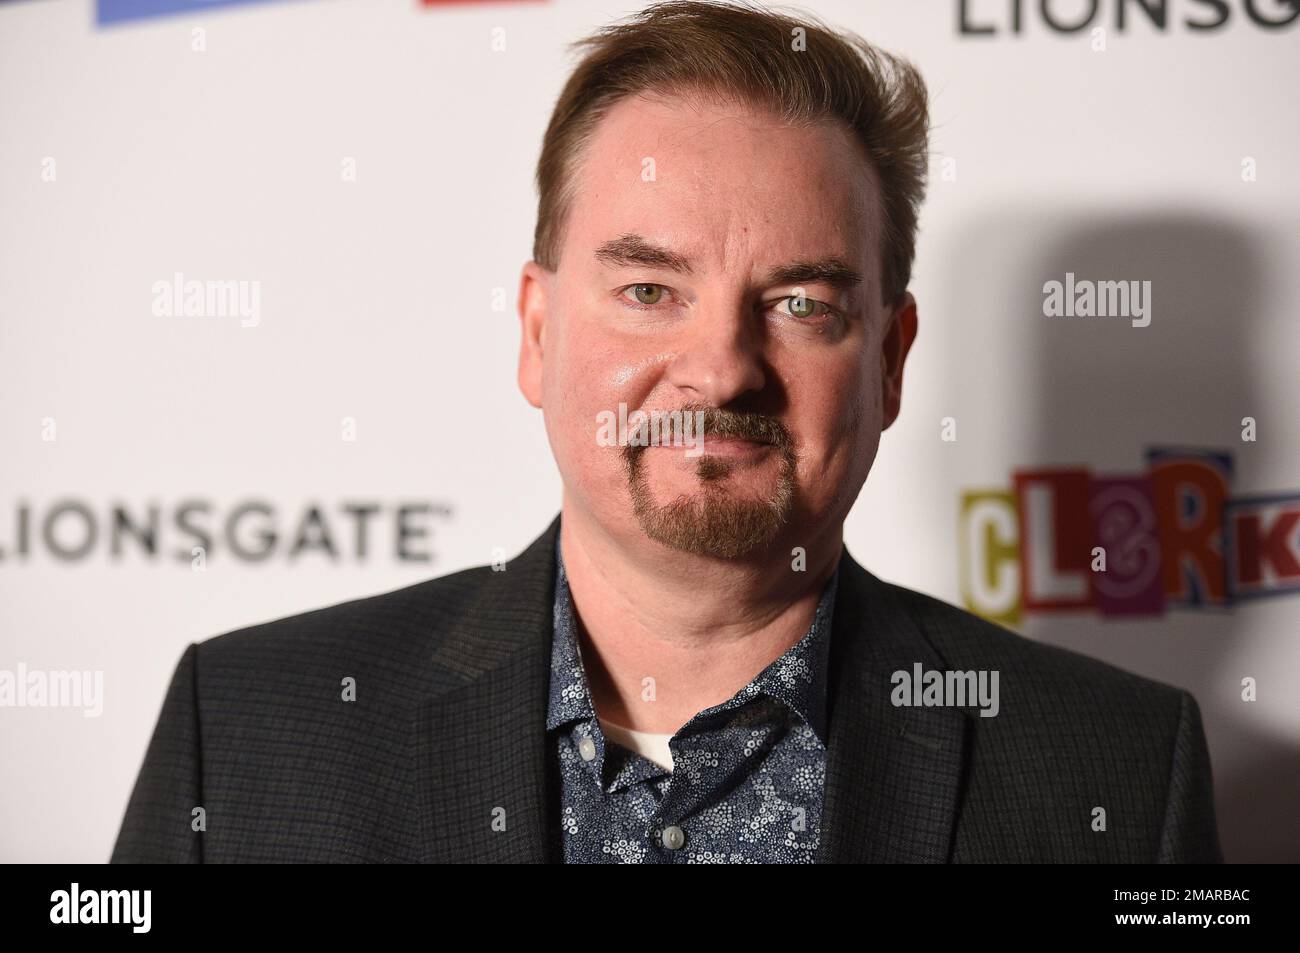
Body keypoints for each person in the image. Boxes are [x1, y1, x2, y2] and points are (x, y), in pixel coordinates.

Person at [112, 0, 1222, 863]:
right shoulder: (251, 728)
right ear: (537, 331)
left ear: (887, 360)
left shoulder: (1119, 771)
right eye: (649, 289)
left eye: (801, 304)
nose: (722, 366)